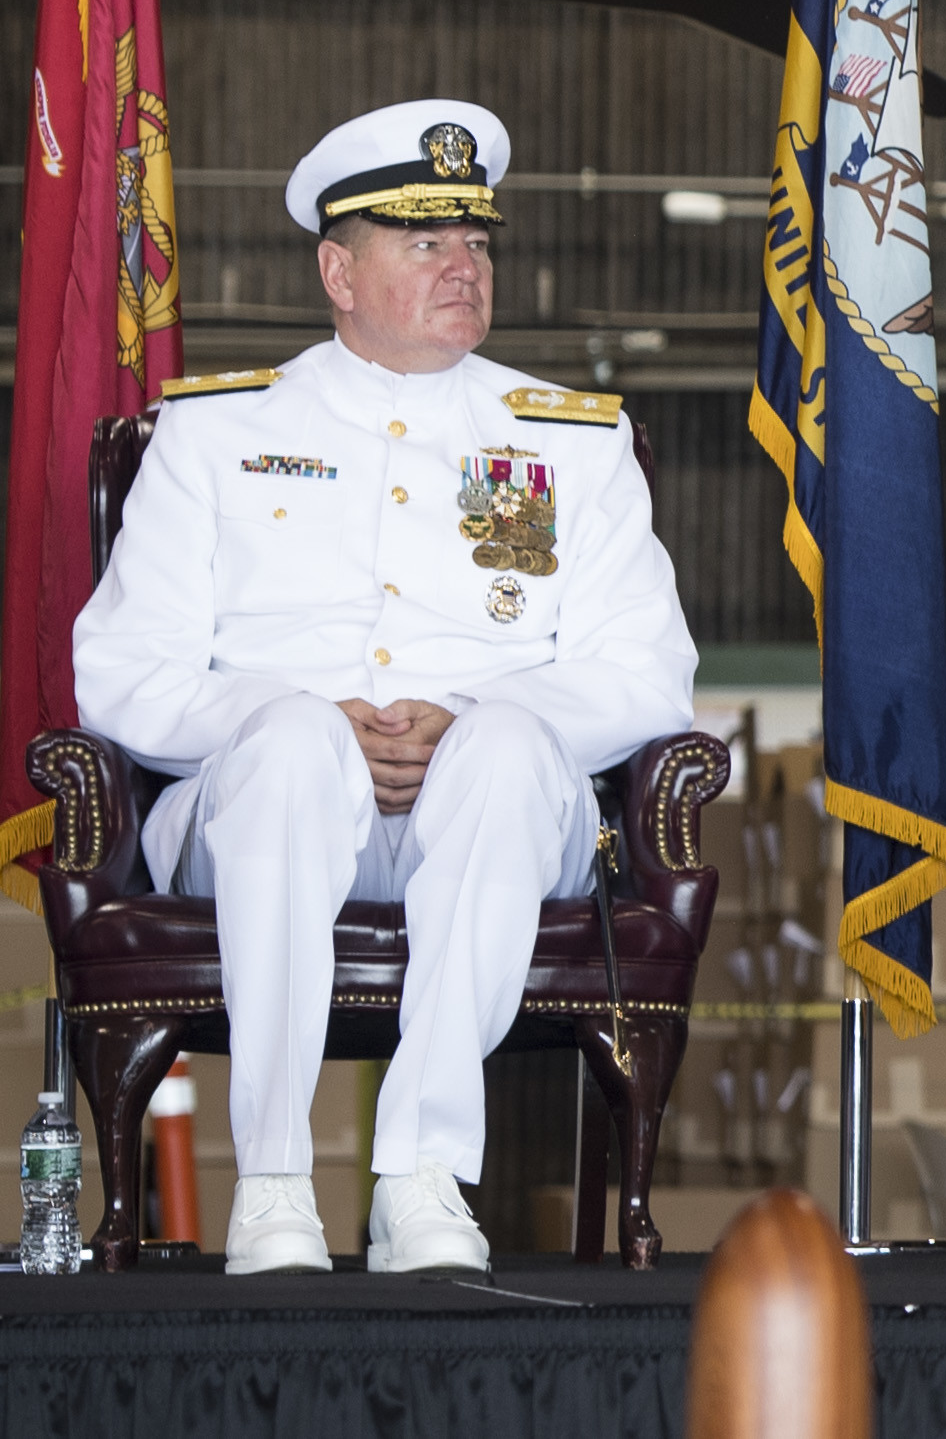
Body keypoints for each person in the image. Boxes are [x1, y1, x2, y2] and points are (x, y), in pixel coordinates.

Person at [75, 99, 699, 1276]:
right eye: (425, 243)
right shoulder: (213, 433)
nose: (466, 267)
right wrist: (291, 717)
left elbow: (649, 670)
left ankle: (421, 1175)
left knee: (510, 746)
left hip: (496, 817)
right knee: (297, 748)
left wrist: (466, 722)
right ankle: (271, 1183)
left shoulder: (572, 441)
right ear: (337, 269)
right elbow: (124, 671)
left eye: (477, 243)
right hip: (265, 806)